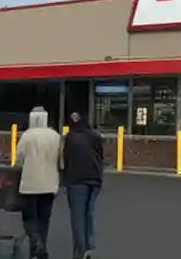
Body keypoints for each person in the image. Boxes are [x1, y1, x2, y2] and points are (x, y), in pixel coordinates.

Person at [16, 106, 62, 258]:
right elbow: (60, 161)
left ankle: (36, 242)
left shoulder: (27, 136)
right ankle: (41, 246)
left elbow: (19, 159)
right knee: (44, 218)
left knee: (29, 217)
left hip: (29, 184)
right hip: (49, 184)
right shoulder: (55, 136)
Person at [61, 111, 104, 259]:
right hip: (95, 179)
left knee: (77, 216)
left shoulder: (70, 138)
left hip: (76, 179)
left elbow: (66, 159)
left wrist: (64, 178)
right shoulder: (95, 136)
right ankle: (90, 247)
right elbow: (101, 156)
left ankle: (80, 251)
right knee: (89, 213)